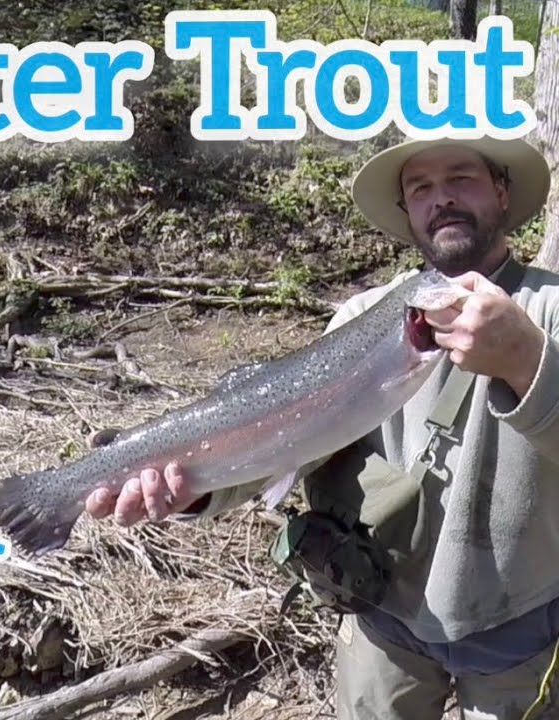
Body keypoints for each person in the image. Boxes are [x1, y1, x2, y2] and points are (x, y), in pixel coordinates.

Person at [84, 136, 559, 720]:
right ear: (408, 211)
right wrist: (198, 487)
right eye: (421, 189)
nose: (442, 200)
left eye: (462, 179)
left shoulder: (550, 310)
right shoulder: (363, 316)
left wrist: (527, 360)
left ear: (502, 192)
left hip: (521, 629)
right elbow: (296, 441)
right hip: (381, 616)